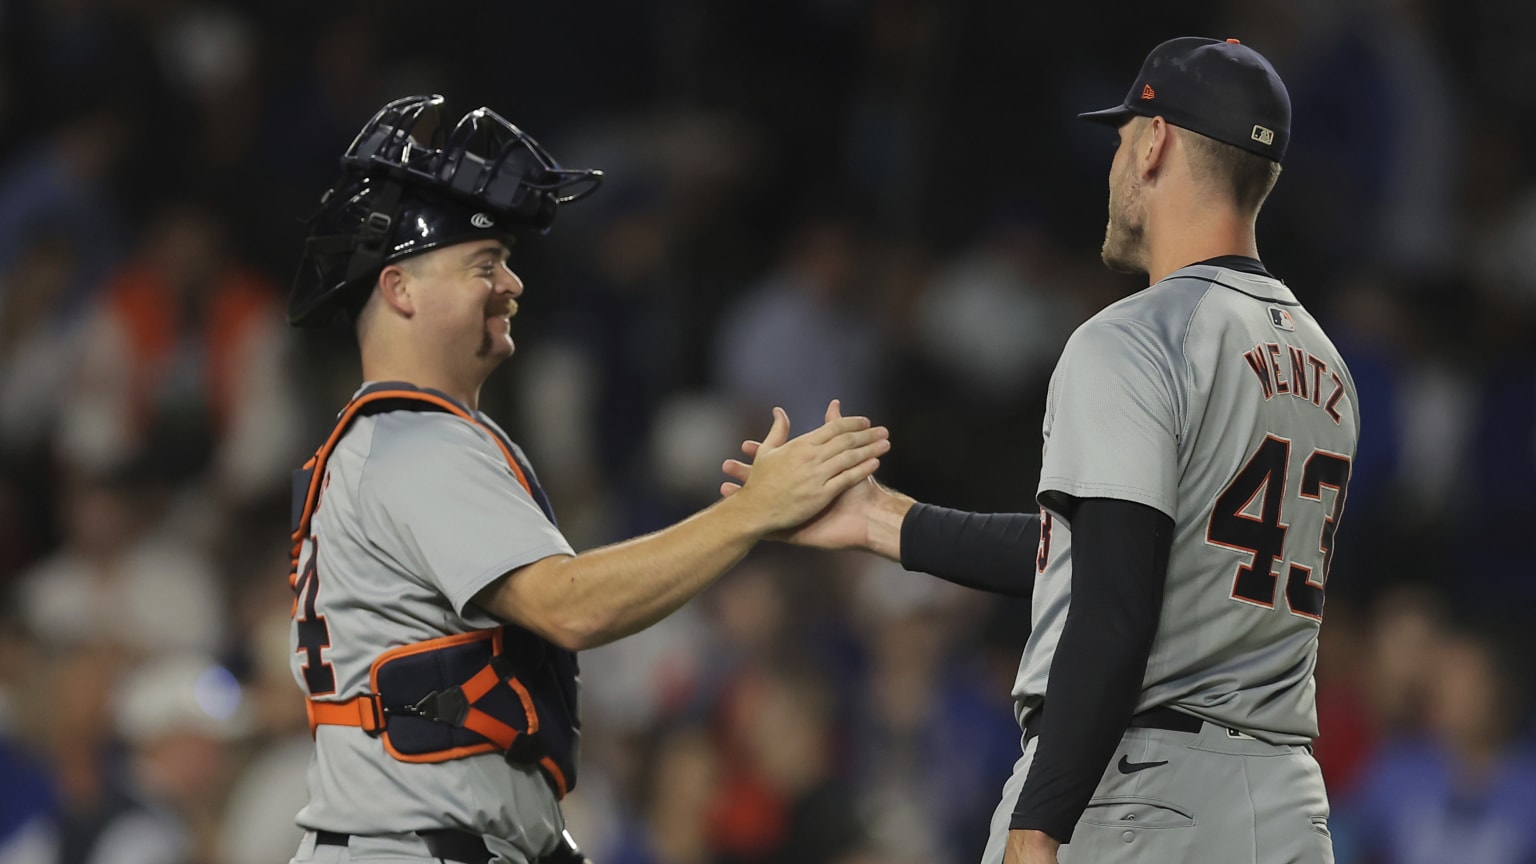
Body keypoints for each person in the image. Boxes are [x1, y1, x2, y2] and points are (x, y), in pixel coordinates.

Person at [723, 37, 1358, 863]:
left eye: (1124, 138)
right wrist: (884, 521)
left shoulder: (1135, 338)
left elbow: (1115, 606)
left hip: (1139, 795)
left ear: (1157, 141)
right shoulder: (1323, 367)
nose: (1115, 164)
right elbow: (1117, 553)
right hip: (1283, 807)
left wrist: (1040, 823)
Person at [282, 95, 889, 864]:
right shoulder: (417, 441)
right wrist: (749, 514)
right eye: (483, 263)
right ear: (401, 288)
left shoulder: (389, 441)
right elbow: (569, 607)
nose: (512, 284)